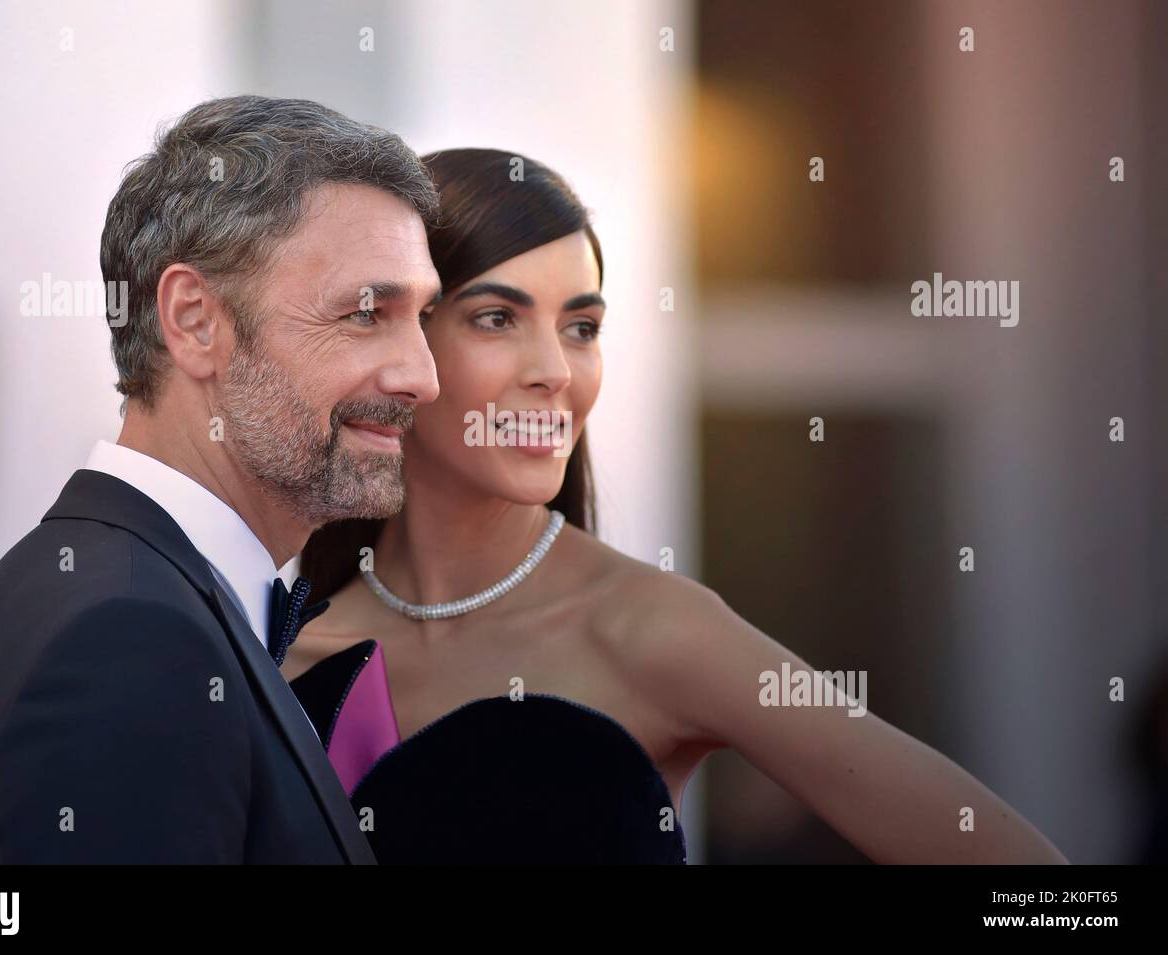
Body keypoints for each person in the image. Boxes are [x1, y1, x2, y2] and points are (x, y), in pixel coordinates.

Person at [282, 149, 1070, 865]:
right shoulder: (290, 650)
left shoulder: (650, 629)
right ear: (402, 345)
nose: (555, 370)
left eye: (582, 327)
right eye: (498, 318)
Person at [0, 95, 443, 863]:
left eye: (424, 318)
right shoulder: (129, 641)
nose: (424, 377)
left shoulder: (86, 590)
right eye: (366, 313)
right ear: (194, 319)